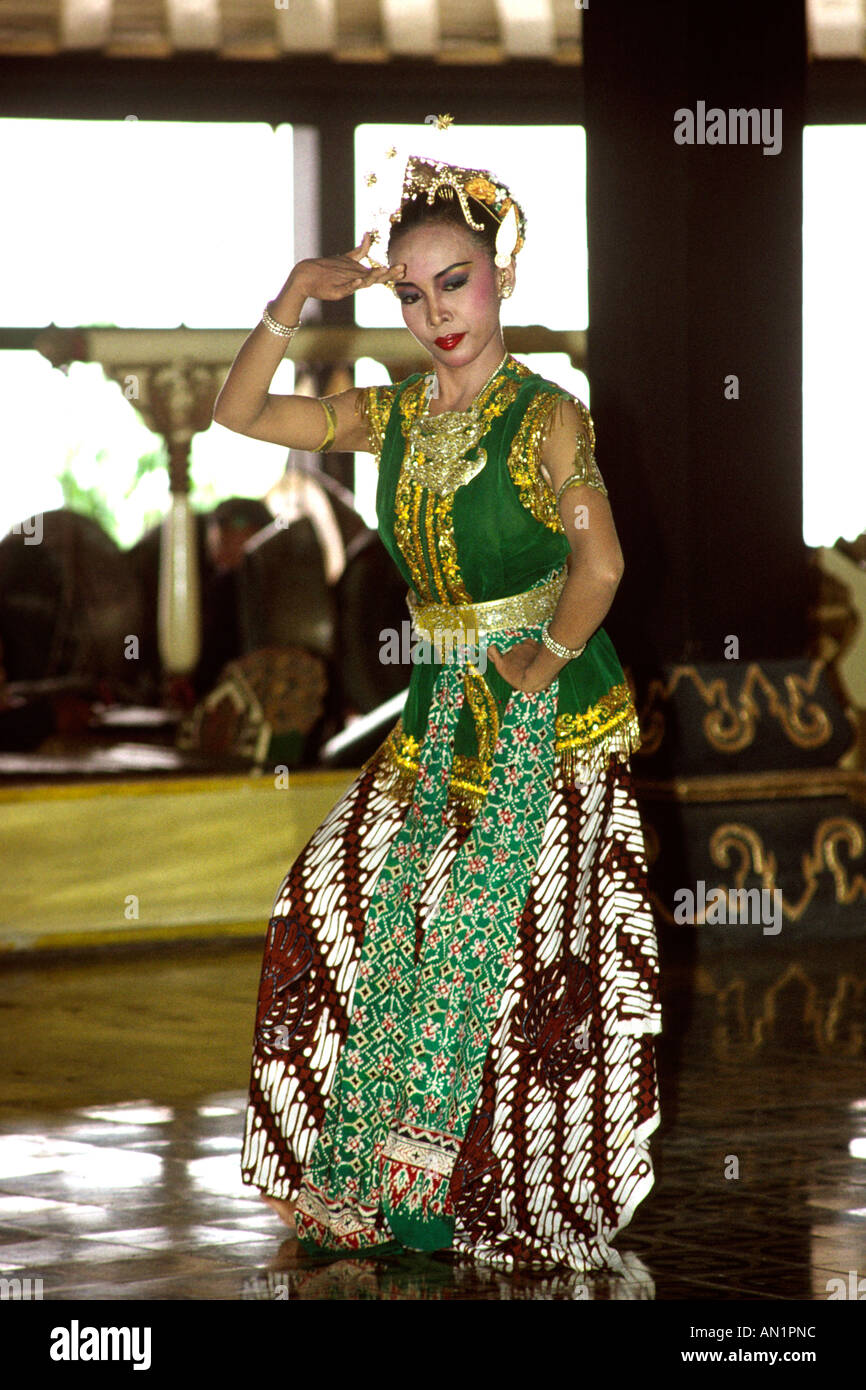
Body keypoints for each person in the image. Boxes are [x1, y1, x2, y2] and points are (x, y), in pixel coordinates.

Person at [212, 154, 662, 1277]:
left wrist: (542, 657)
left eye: (452, 282)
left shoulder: (548, 417)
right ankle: (372, 1179)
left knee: (495, 967)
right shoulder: (395, 413)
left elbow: (599, 561)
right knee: (338, 908)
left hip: (537, 724)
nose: (434, 314)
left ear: (500, 271)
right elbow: (238, 410)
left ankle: (465, 1197)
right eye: (409, 294)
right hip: (431, 717)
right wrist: (295, 294)